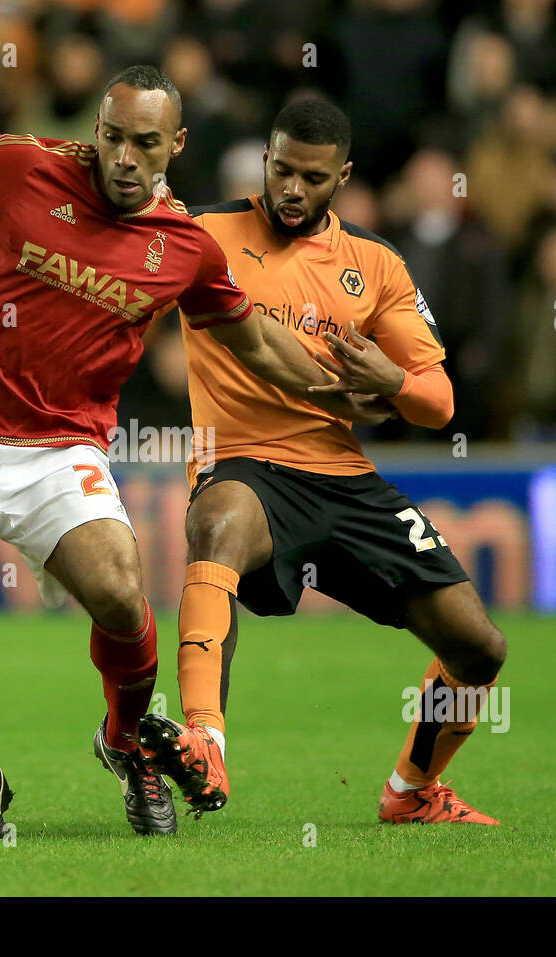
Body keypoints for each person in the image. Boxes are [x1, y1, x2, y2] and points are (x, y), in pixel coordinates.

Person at [0, 68, 383, 838]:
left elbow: (255, 340)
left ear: (175, 143)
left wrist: (332, 392)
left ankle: (126, 741)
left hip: (60, 449)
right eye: (113, 136)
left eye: (146, 142)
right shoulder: (25, 165)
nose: (126, 156)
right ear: (97, 129)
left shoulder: (185, 247)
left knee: (119, 591)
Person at [138, 98, 508, 825]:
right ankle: (205, 738)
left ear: (343, 176)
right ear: (266, 162)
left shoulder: (374, 263)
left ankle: (412, 791)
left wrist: (393, 382)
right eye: (281, 170)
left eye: (311, 176)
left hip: (343, 478)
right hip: (243, 463)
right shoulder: (204, 232)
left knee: (479, 645)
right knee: (217, 522)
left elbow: (440, 402)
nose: (291, 189)